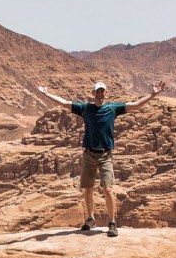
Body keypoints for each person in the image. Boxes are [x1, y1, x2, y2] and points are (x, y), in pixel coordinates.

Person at [35, 79, 167, 236]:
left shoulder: (112, 108)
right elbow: (64, 103)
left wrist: (152, 95)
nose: (100, 93)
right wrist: (46, 93)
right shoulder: (85, 109)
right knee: (88, 189)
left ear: (105, 93)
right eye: (97, 91)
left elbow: (134, 106)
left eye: (102, 91)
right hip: (89, 154)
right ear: (93, 93)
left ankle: (112, 223)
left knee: (107, 188)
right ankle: (90, 219)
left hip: (105, 154)